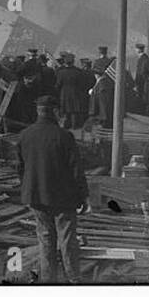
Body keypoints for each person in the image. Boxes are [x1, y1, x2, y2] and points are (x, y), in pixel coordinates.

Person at [15, 95, 88, 284]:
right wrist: (83, 195)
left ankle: (48, 281)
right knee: (67, 240)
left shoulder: (25, 135)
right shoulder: (64, 136)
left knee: (45, 241)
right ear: (55, 111)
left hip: (36, 196)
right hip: (64, 198)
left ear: (37, 111)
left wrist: (28, 190)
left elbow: (20, 169)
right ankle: (74, 279)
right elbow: (76, 170)